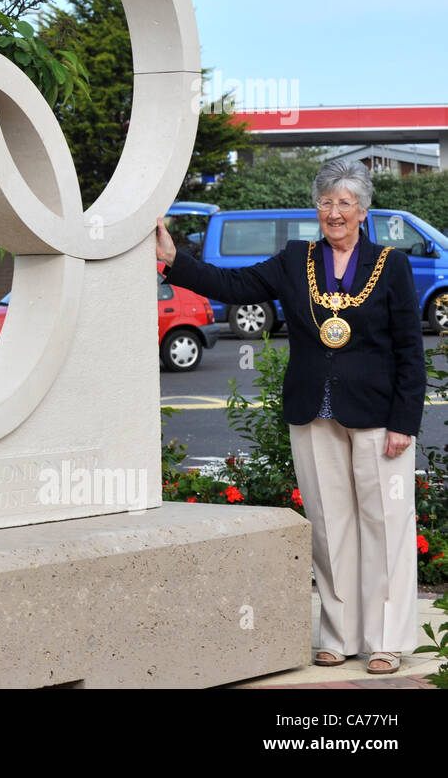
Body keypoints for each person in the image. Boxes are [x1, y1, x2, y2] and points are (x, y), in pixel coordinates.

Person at [155, 159, 424, 675]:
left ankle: (386, 641)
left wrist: (404, 422)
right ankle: (339, 635)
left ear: (363, 212)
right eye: (325, 202)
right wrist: (174, 261)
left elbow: (411, 349)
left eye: (345, 203)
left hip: (378, 414)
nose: (334, 212)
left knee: (385, 525)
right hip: (312, 409)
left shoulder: (391, 264)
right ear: (316, 209)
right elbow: (234, 286)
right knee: (329, 526)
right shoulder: (295, 258)